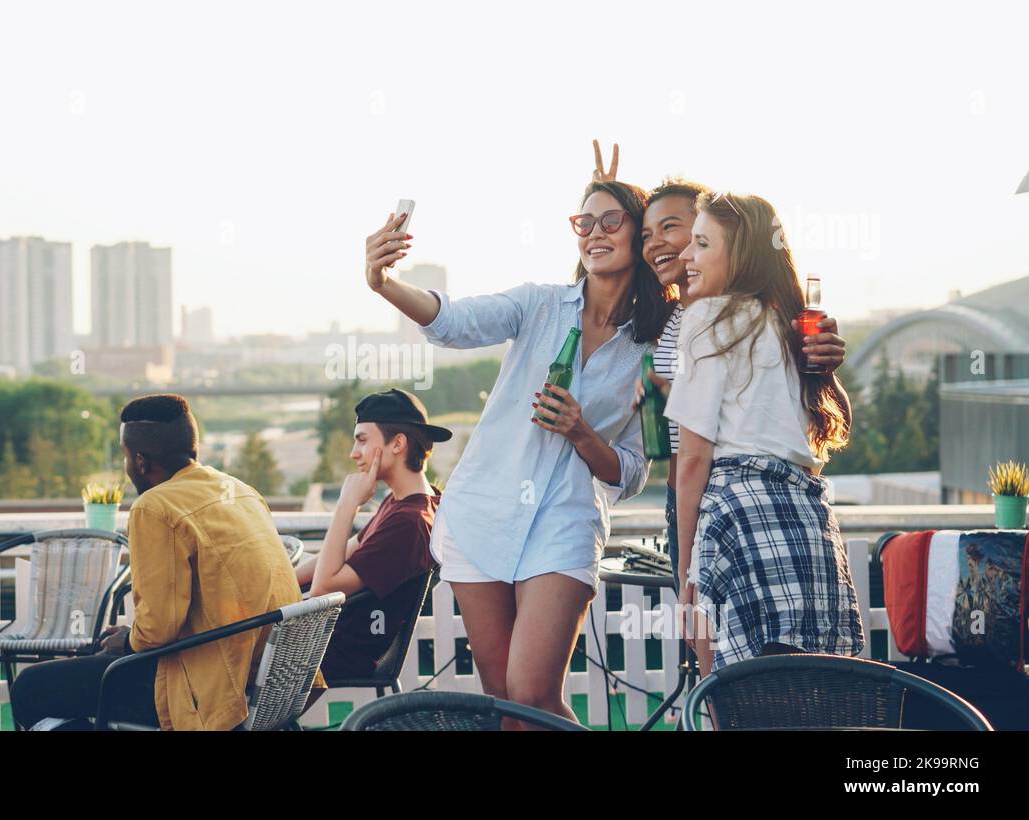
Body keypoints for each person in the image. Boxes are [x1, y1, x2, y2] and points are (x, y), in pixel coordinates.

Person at [363, 163, 666, 726]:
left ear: (640, 231)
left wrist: (579, 429)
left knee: (531, 690)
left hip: (565, 524)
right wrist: (384, 283)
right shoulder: (541, 305)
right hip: (482, 514)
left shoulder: (655, 345)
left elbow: (630, 472)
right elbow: (454, 321)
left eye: (612, 220)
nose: (595, 233)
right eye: (585, 222)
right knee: (509, 705)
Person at [9, 393, 313, 731]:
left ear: (140, 461)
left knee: (31, 688)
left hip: (209, 689)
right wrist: (130, 638)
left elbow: (158, 629)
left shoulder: (154, 507)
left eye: (126, 458)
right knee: (91, 668)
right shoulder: (241, 491)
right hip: (268, 678)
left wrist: (126, 641)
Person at [665, 192, 865, 677]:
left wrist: (687, 575)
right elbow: (828, 426)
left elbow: (692, 460)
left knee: (732, 700)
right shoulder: (791, 325)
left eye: (702, 243)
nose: (687, 256)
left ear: (740, 256)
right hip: (811, 523)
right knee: (812, 701)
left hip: (738, 515)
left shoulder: (706, 319)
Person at [633, 177, 849, 586]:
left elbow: (823, 412)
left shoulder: (714, 317)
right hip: (796, 508)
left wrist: (826, 366)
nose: (667, 245)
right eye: (646, 234)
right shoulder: (679, 316)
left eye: (674, 228)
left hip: (720, 497)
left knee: (719, 640)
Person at [295, 389, 445, 703]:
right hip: (318, 638)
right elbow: (346, 550)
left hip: (323, 650)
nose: (354, 452)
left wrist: (346, 505)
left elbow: (325, 588)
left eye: (362, 440)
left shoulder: (409, 522)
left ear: (398, 444)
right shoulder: (406, 502)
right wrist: (283, 577)